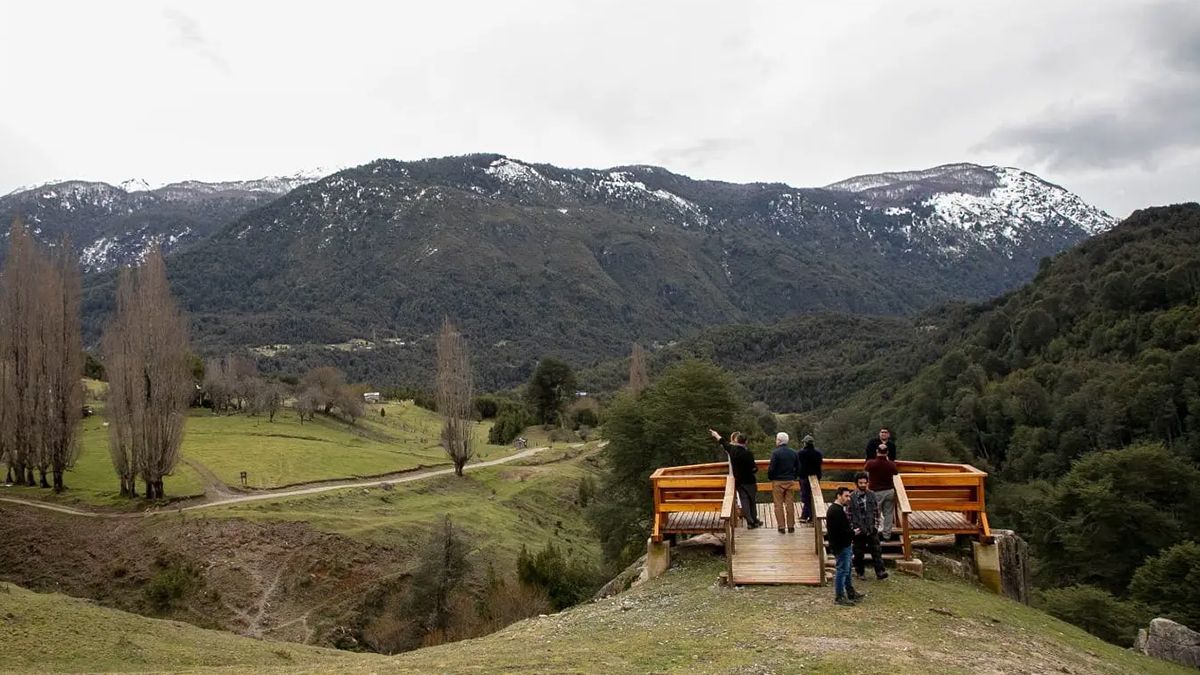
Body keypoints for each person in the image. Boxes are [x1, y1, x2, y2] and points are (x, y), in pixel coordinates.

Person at [709, 429, 762, 529]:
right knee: (752, 500)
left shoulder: (732, 450)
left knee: (744, 500)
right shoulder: (748, 453)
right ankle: (754, 520)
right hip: (750, 480)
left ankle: (750, 522)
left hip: (739, 481)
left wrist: (716, 435)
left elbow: (723, 442)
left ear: (737, 441)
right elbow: (754, 468)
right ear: (746, 442)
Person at [827, 486, 864, 606]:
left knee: (847, 570)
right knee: (842, 570)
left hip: (844, 544)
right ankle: (839, 596)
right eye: (846, 496)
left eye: (849, 496)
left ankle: (850, 592)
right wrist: (853, 532)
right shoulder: (836, 511)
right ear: (839, 496)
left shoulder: (836, 509)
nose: (848, 498)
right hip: (841, 545)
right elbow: (840, 532)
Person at [850, 472, 889, 580]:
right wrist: (852, 528)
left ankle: (880, 572)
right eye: (860, 483)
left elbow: (876, 511)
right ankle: (860, 572)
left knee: (876, 551)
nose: (863, 485)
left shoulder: (872, 495)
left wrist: (876, 526)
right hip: (858, 528)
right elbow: (849, 514)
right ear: (856, 483)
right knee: (858, 553)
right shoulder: (852, 497)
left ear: (867, 483)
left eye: (864, 483)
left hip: (871, 527)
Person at [865, 444, 900, 541]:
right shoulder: (891, 464)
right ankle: (887, 535)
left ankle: (873, 534)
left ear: (877, 451)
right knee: (888, 514)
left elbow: (866, 471)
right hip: (889, 491)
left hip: (875, 492)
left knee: (874, 514)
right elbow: (896, 472)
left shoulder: (870, 463)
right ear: (887, 452)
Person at [767, 431, 800, 534]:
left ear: (779, 441)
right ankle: (791, 526)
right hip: (790, 480)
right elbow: (798, 467)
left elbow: (772, 468)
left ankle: (781, 527)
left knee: (778, 505)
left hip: (778, 481)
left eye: (776, 439)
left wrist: (771, 477)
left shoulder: (775, 453)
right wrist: (794, 476)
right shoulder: (794, 452)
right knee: (790, 504)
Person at [797, 434, 823, 523]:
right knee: (814, 497)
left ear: (805, 443)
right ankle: (809, 516)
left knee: (806, 497)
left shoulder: (801, 453)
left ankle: (807, 516)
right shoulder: (818, 453)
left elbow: (798, 465)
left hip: (804, 477)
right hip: (815, 477)